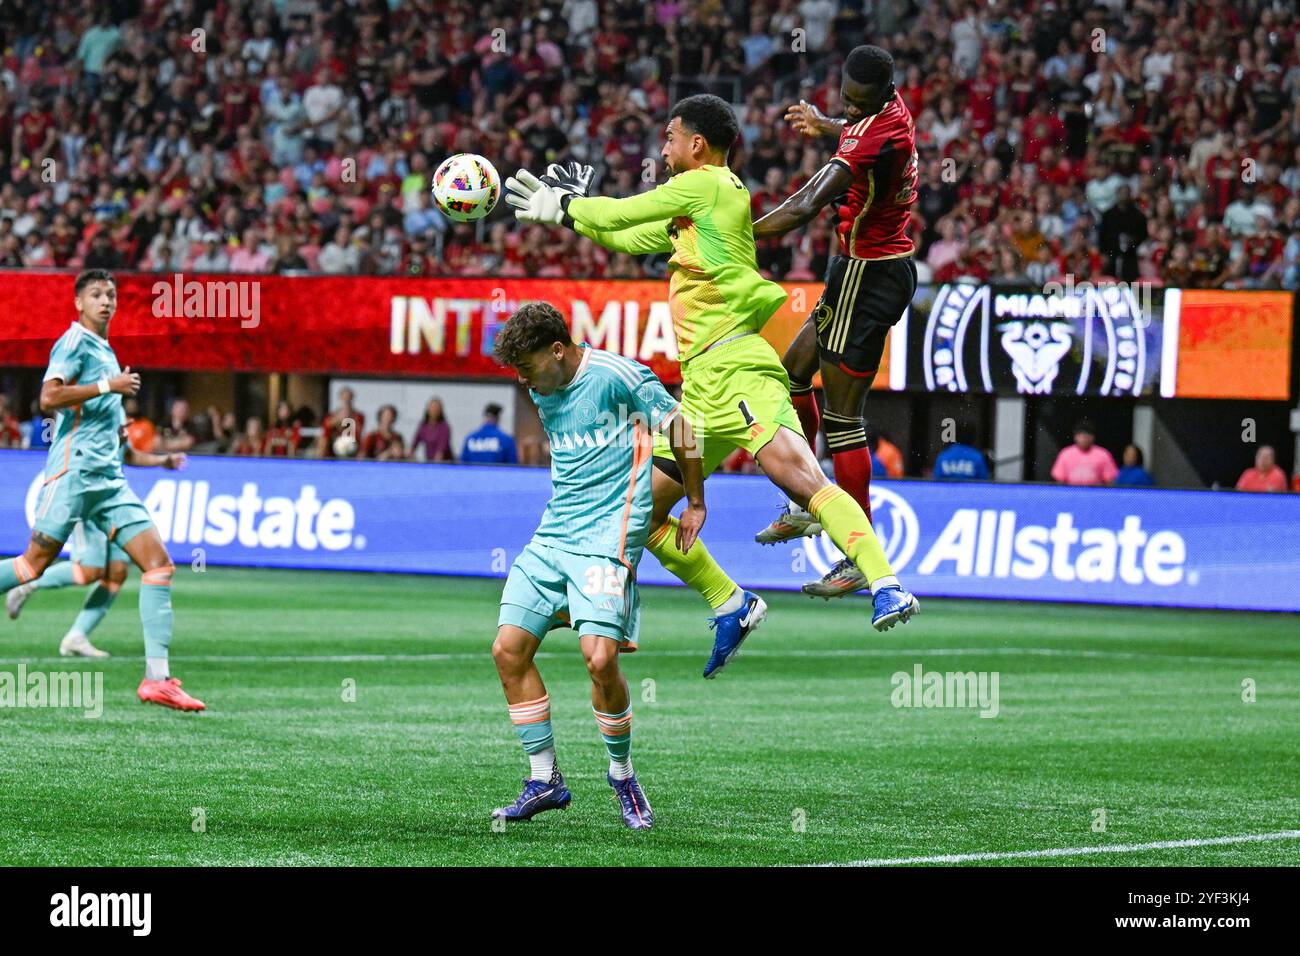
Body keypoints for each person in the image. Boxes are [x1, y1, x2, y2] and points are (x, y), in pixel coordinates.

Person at [506, 90, 919, 673]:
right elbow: (625, 236)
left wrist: (568, 204)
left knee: (802, 479)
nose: (664, 147)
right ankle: (733, 602)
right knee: (638, 516)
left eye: (671, 136)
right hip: (701, 388)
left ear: (696, 143)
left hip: (738, 369)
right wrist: (570, 212)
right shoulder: (694, 215)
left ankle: (886, 584)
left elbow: (624, 211)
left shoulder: (711, 184)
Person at [488, 302, 707, 829]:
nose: (522, 380)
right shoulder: (543, 388)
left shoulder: (617, 377)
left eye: (526, 365)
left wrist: (694, 502)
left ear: (558, 350)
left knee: (600, 660)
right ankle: (544, 780)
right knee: (507, 651)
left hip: (607, 538)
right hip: (552, 536)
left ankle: (622, 774)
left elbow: (684, 429)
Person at [749, 45, 919, 596]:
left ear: (880, 94)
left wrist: (731, 233)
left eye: (854, 102)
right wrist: (827, 124)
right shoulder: (885, 112)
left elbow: (802, 206)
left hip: (867, 278)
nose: (846, 106)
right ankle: (806, 500)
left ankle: (856, 555)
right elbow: (856, 127)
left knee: (846, 418)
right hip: (857, 271)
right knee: (790, 373)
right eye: (842, 97)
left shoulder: (872, 135)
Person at [0, 270, 204, 709]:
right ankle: (77, 634)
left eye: (111, 294)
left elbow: (125, 449)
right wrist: (107, 386)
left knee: (158, 564)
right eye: (96, 294)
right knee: (31, 566)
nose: (105, 301)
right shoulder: (73, 343)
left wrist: (163, 460)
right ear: (79, 302)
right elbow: (48, 399)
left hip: (110, 483)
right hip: (73, 476)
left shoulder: (109, 355)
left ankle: (157, 679)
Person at [1050, 420, 1118, 486]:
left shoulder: (1103, 454)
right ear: (1075, 437)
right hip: (1072, 494)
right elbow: (1059, 481)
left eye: (1087, 435)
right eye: (1080, 435)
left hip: (1095, 495)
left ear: (1093, 437)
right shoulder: (1065, 454)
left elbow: (1110, 482)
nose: (1084, 438)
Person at [319, 387, 366, 458]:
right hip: (334, 446)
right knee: (323, 440)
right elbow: (325, 430)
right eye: (344, 398)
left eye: (349, 398)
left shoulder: (358, 416)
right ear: (340, 398)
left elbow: (359, 431)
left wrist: (350, 417)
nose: (346, 400)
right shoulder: (331, 416)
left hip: (352, 446)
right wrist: (337, 421)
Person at [411, 397, 453, 462]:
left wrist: (435, 464)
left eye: (436, 408)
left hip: (443, 463)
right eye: (432, 407)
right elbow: (414, 443)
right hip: (429, 461)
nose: (434, 410)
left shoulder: (444, 427)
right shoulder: (423, 426)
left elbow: (441, 449)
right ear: (428, 409)